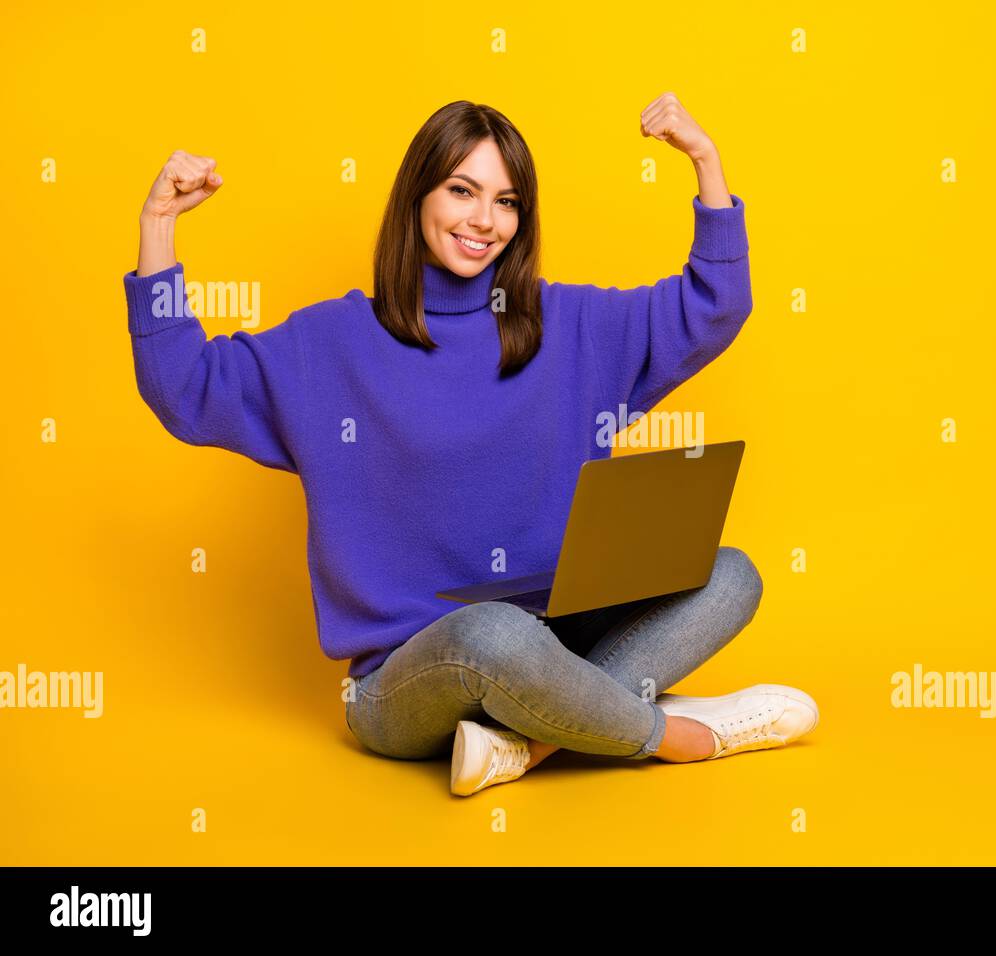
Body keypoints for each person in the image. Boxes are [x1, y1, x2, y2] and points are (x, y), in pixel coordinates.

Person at [124, 95, 818, 797]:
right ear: (417, 195)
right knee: (491, 635)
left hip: (554, 640)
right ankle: (657, 732)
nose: (484, 220)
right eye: (462, 190)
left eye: (506, 200)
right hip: (404, 685)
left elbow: (715, 305)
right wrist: (158, 226)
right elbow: (183, 388)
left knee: (731, 575)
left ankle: (533, 741)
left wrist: (706, 162)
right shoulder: (329, 345)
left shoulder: (568, 325)